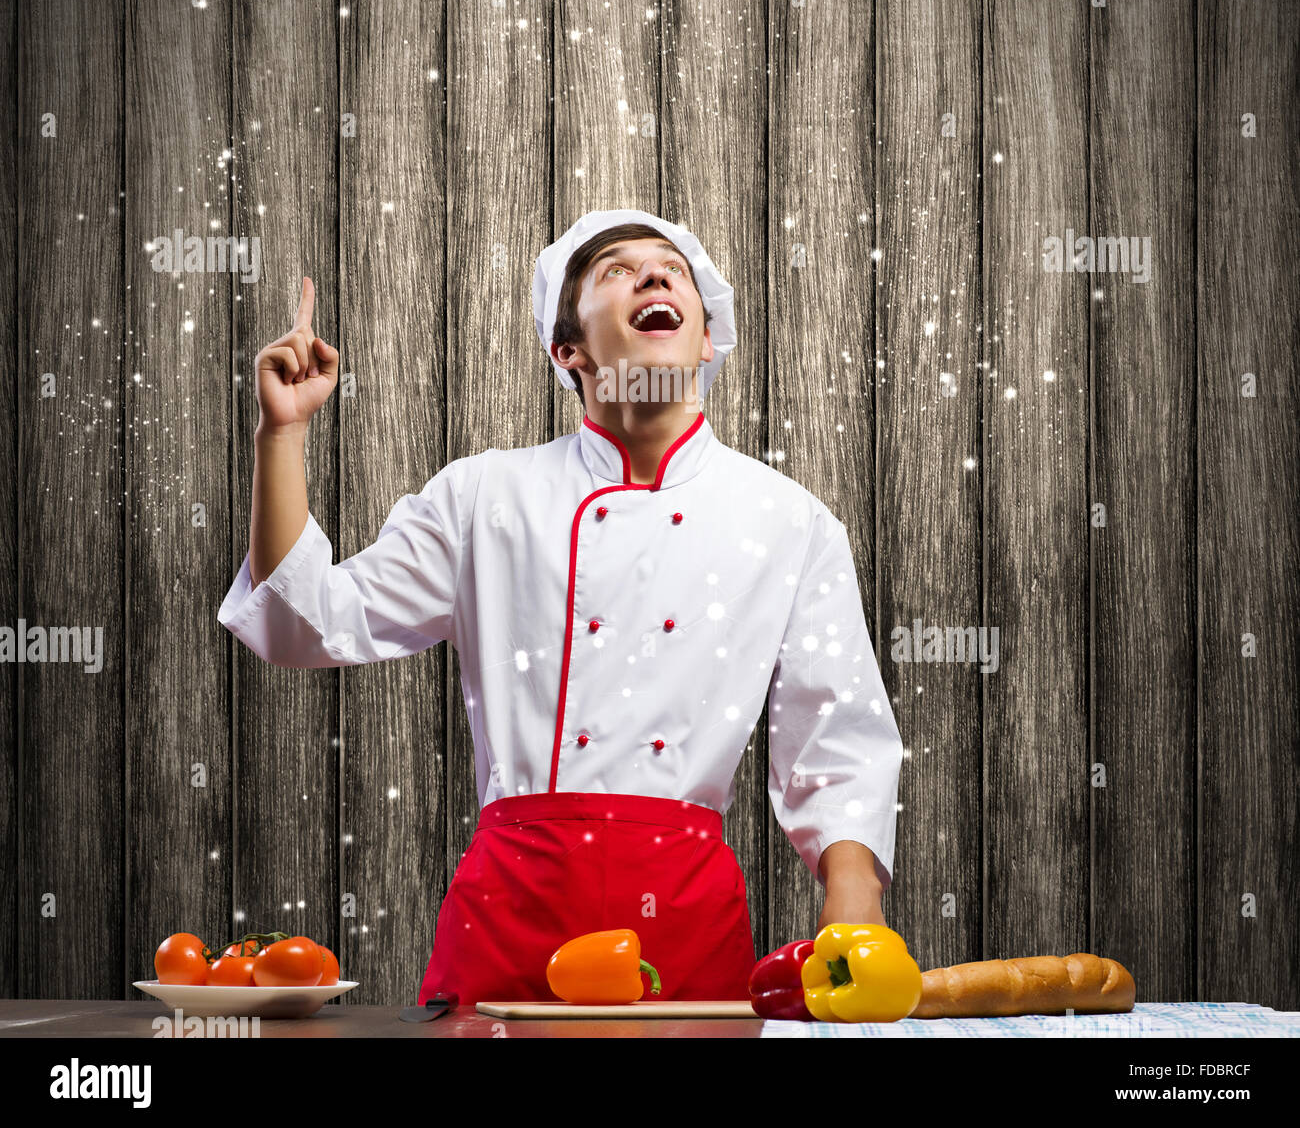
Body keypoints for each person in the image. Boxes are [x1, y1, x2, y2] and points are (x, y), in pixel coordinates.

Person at [218, 207, 904, 1004]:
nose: (653, 274)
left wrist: (855, 918)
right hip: (511, 908)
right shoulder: (485, 496)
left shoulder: (789, 521)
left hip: (684, 916)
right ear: (567, 349)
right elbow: (300, 624)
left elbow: (837, 745)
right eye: (618, 270)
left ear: (707, 339)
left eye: (672, 269)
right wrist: (281, 436)